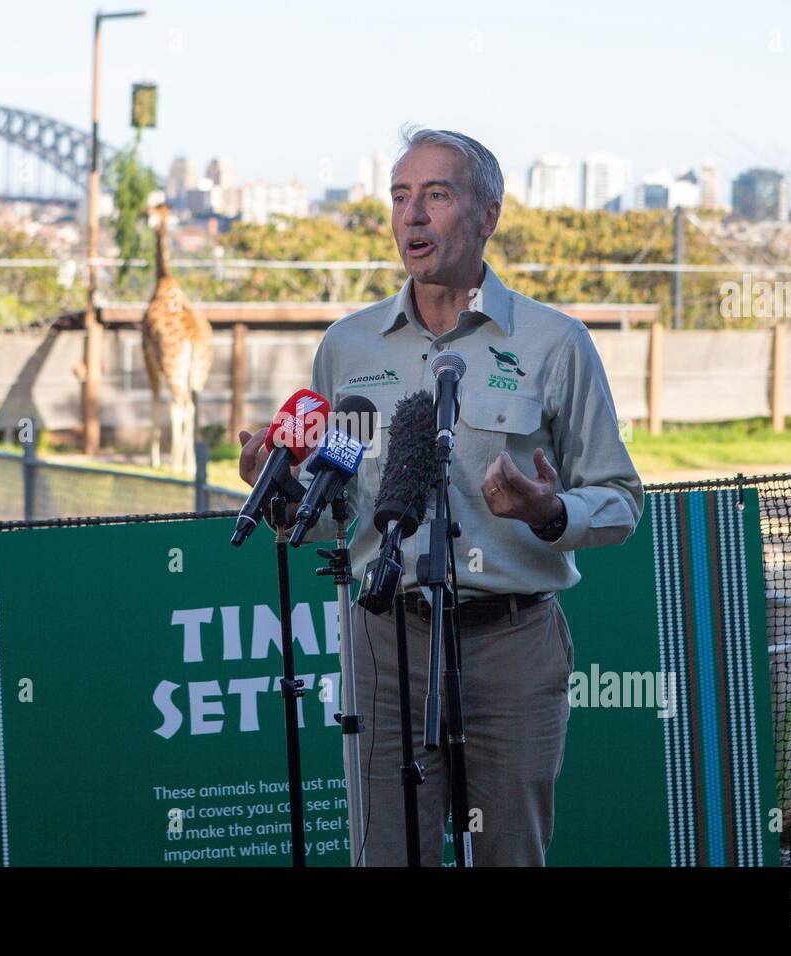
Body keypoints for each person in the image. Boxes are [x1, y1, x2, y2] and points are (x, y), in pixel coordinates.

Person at [238, 126, 643, 866]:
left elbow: (619, 500)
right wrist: (283, 494)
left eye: (436, 194)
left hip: (510, 644)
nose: (412, 215)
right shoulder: (348, 348)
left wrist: (550, 512)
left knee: (507, 856)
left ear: (487, 214)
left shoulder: (557, 345)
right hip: (386, 642)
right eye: (400, 196)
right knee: (387, 855)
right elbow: (338, 508)